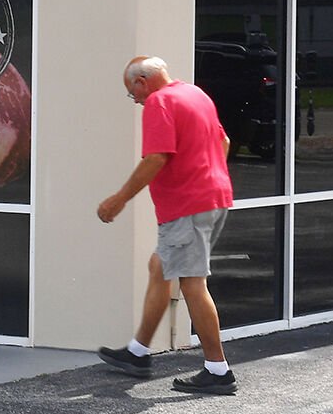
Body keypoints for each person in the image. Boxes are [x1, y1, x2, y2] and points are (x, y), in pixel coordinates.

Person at [95, 55, 238, 395]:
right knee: (160, 267)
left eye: (132, 93)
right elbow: (224, 142)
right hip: (214, 198)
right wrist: (206, 176)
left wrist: (119, 199)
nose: (136, 100)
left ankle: (218, 370)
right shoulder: (195, 94)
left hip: (188, 206)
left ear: (142, 82)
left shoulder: (159, 103)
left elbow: (156, 158)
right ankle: (138, 353)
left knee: (192, 283)